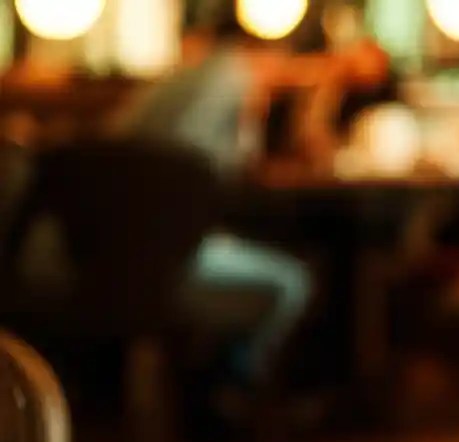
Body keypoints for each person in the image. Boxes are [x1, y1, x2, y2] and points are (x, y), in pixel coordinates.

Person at [111, 8, 313, 407]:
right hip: (169, 254)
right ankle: (232, 393)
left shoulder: (183, 75)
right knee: (292, 282)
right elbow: (192, 168)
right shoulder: (230, 76)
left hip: (103, 253)